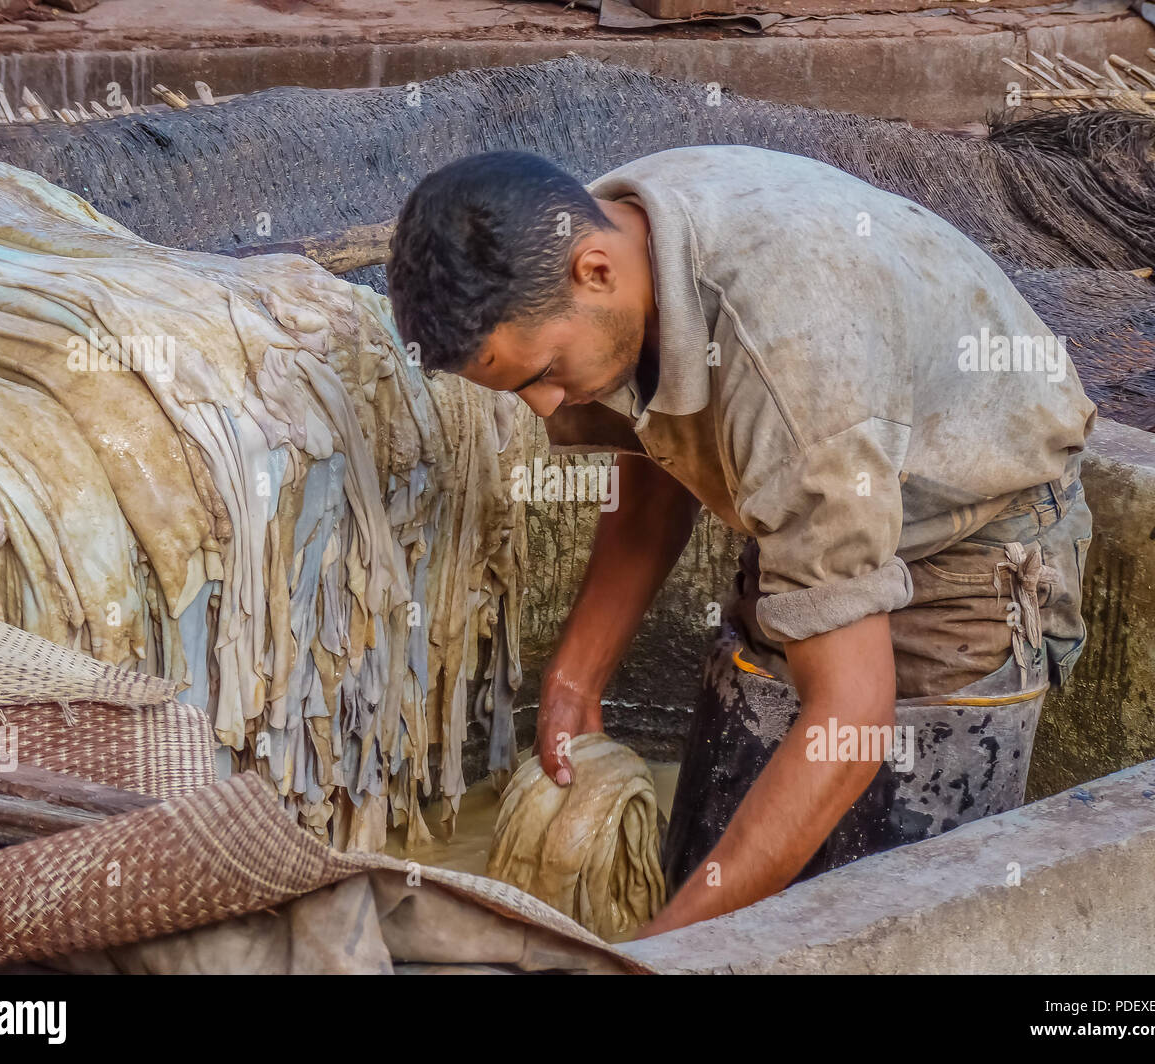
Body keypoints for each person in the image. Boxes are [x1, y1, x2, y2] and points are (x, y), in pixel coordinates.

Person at [386, 146, 1096, 935]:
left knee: (881, 919)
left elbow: (854, 720)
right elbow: (658, 453)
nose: (544, 404)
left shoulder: (793, 374)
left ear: (595, 271)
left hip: (970, 538)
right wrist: (576, 679)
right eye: (518, 385)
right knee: (713, 868)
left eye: (545, 372)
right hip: (828, 490)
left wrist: (655, 960)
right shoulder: (587, 247)